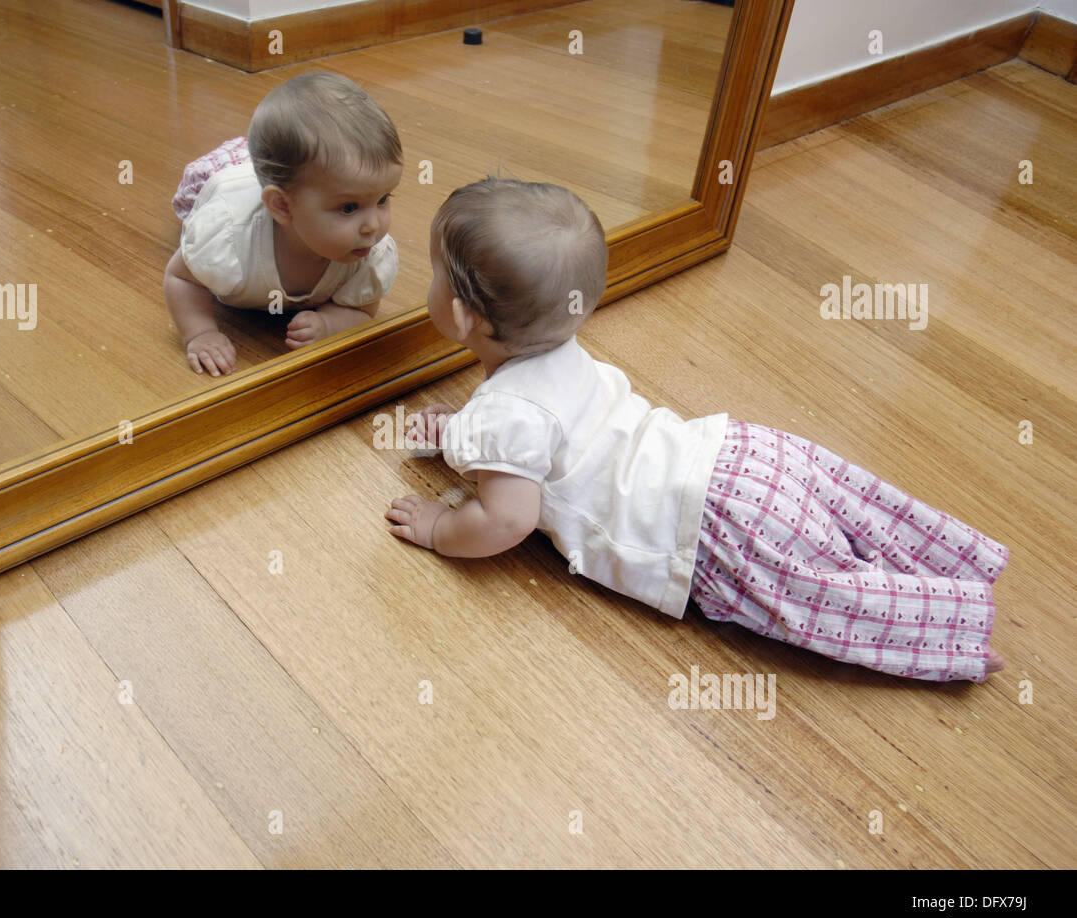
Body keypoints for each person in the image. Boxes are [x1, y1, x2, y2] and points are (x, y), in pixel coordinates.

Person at [385, 176, 1008, 683]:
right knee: (852, 513)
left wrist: (442, 527)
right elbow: (544, 431)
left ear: (464, 316)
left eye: (436, 270)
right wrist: (462, 435)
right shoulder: (559, 347)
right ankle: (953, 564)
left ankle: (948, 634)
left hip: (710, 526)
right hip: (743, 457)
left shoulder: (506, 411)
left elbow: (506, 518)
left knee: (824, 601)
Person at [165, 71, 402, 376]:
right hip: (233, 184)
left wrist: (331, 323)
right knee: (204, 196)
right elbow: (182, 278)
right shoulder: (229, 234)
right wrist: (199, 333)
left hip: (277, 186)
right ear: (281, 206)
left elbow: (364, 308)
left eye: (383, 199)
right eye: (348, 207)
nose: (372, 225)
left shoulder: (368, 252)